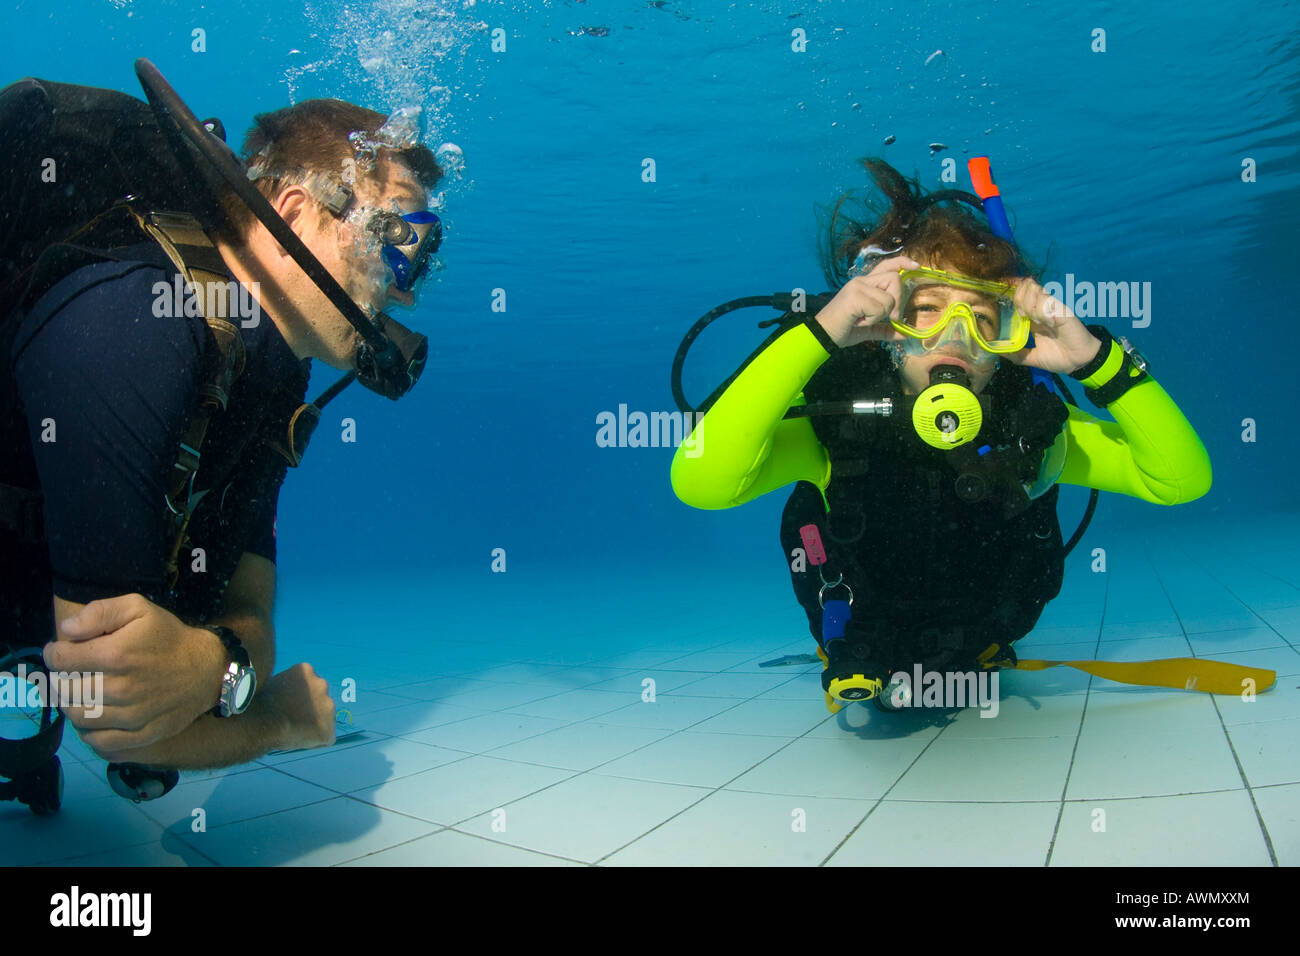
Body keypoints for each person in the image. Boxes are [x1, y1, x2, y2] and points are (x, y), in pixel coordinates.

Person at [0, 93, 444, 781]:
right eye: (393, 241)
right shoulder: (137, 325)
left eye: (419, 253)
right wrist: (280, 719)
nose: (406, 289)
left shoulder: (274, 372)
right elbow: (114, 721)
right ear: (296, 212)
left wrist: (210, 666)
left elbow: (249, 600)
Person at [671, 158, 1211, 712]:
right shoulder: (835, 427)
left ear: (1010, 339)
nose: (954, 338)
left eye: (981, 320)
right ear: (885, 326)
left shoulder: (1032, 425)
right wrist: (822, 333)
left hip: (981, 650)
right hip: (857, 641)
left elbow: (1179, 481)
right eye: (926, 309)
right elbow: (704, 482)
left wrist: (1098, 362)